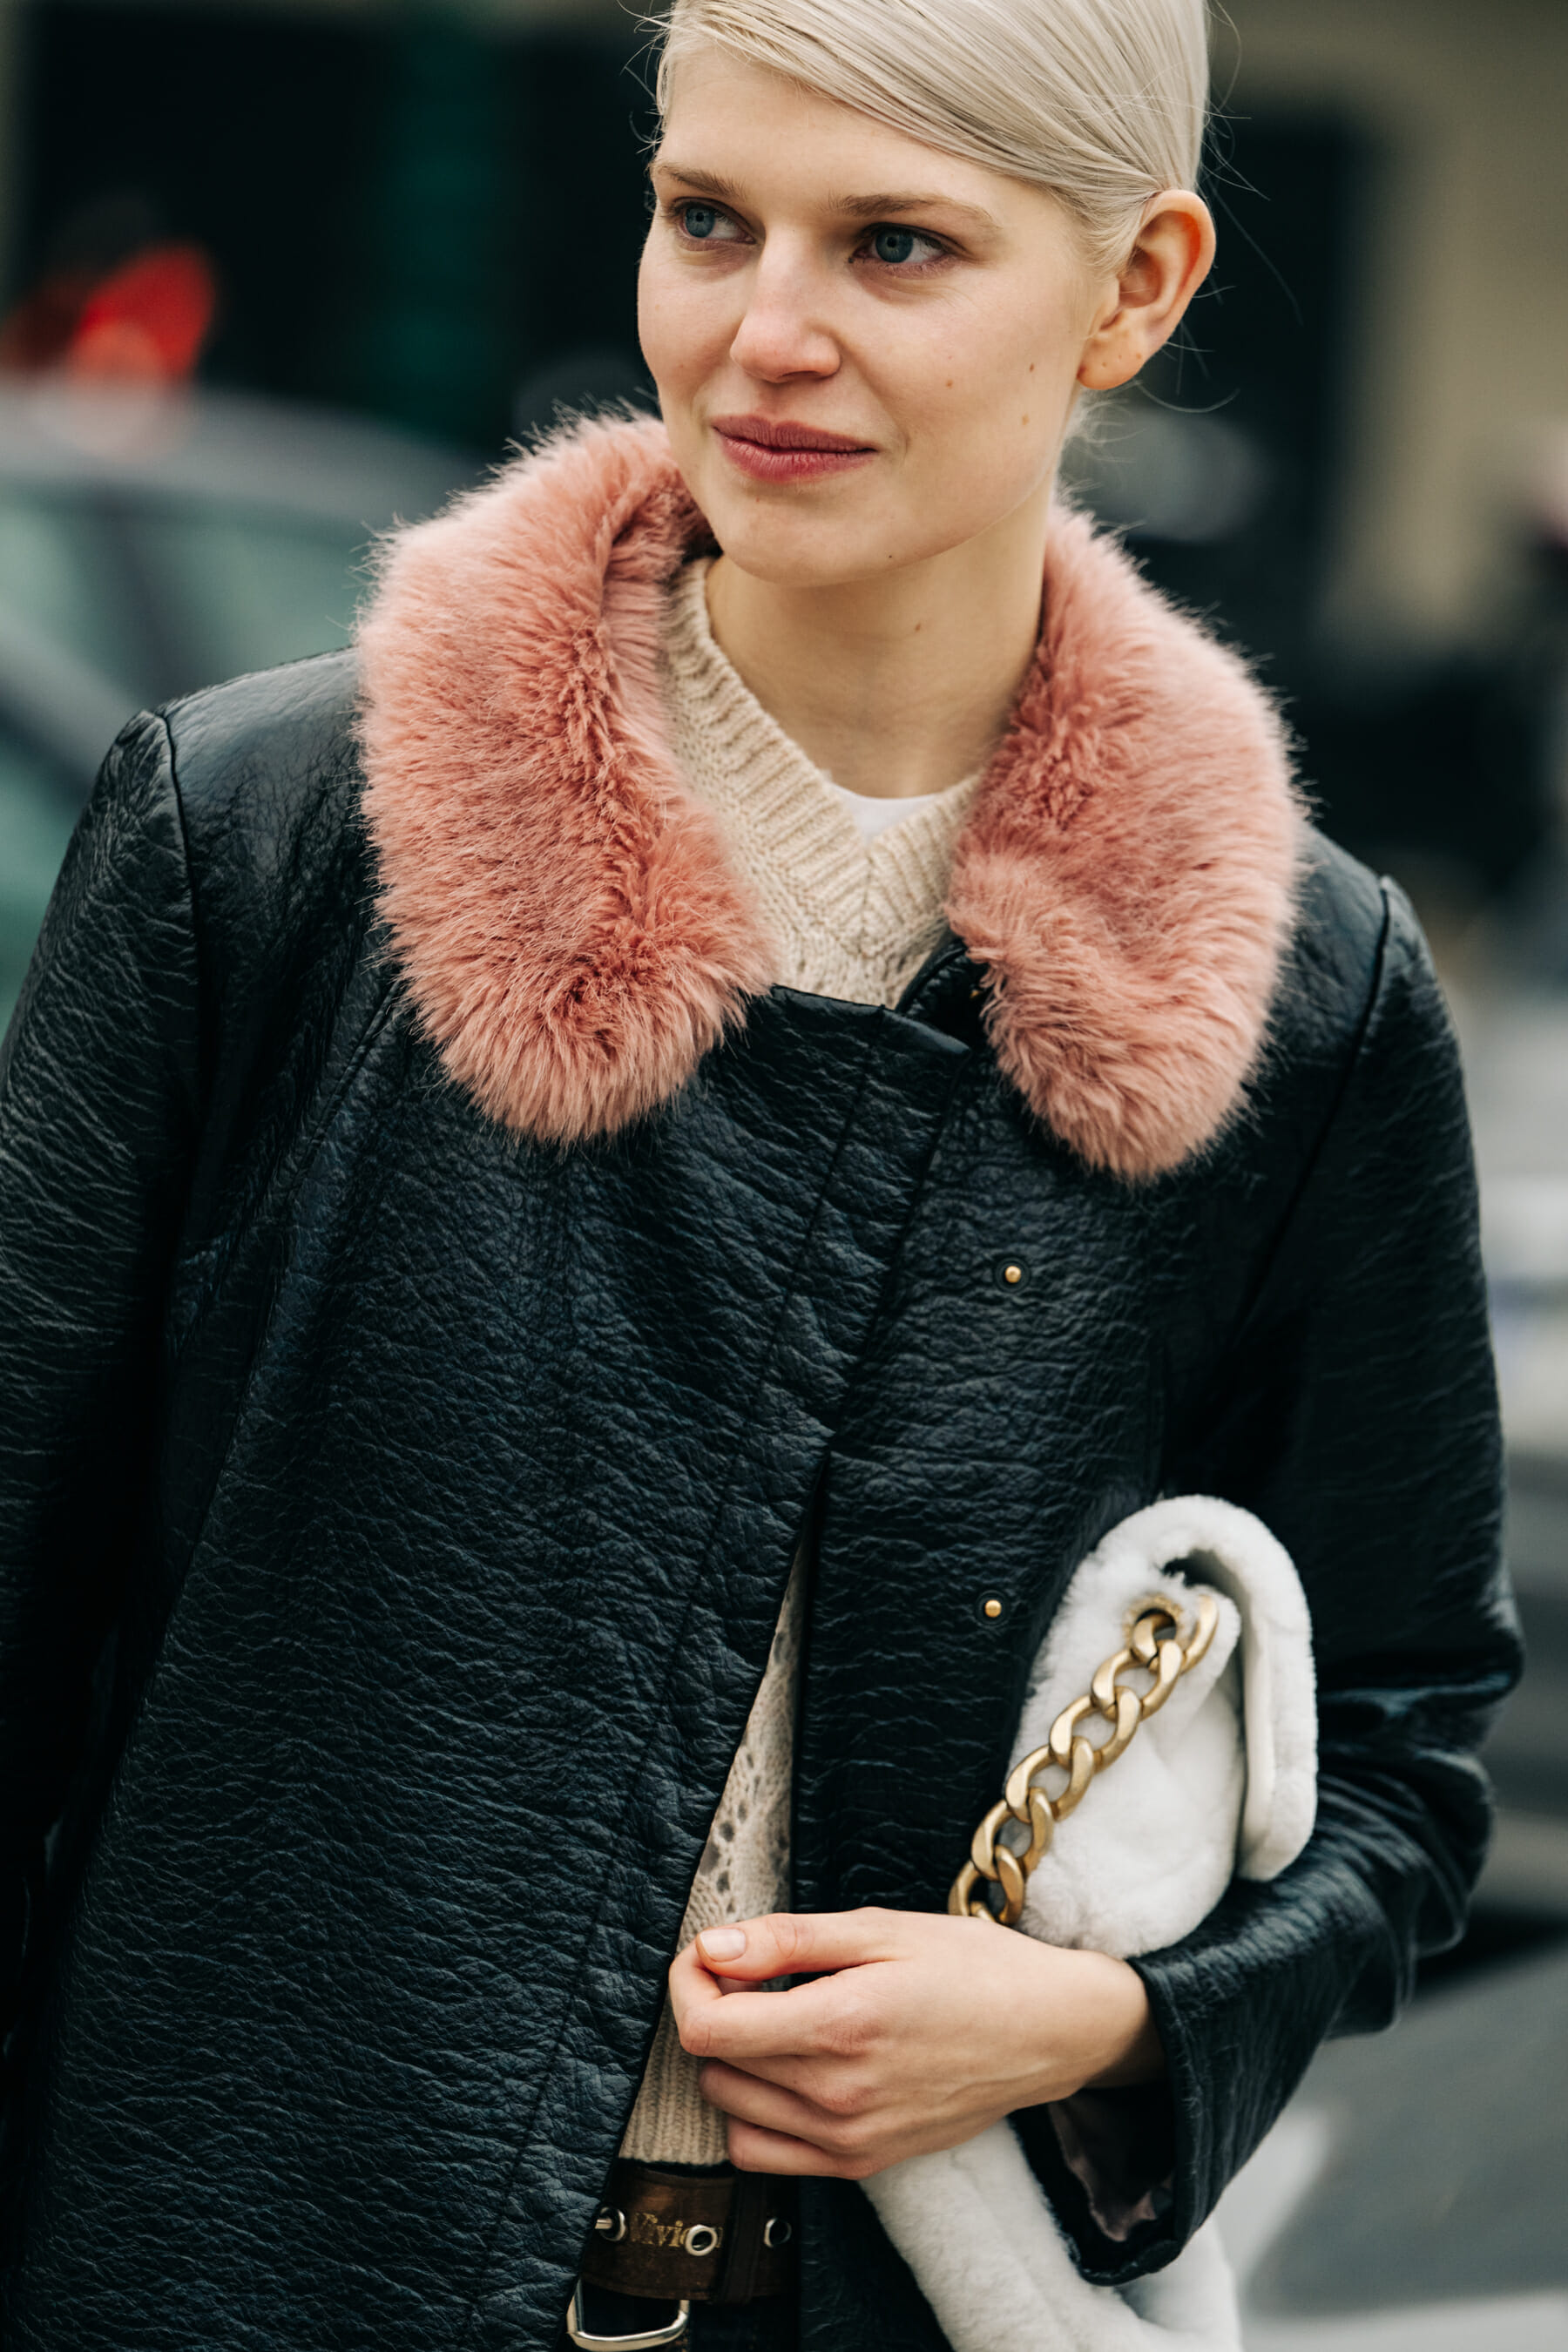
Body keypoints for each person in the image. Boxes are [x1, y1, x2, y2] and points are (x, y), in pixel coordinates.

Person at [0, 1, 1518, 2347]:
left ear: (1139, 287)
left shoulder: (1294, 991)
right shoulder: (267, 847)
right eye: (709, 218)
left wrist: (1109, 2026)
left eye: (898, 244)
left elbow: (1408, 1753)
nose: (763, 332)